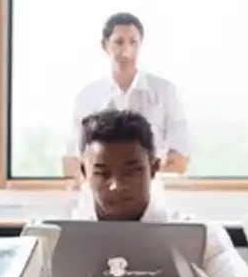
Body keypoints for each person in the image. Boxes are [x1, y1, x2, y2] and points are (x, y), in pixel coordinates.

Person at [67, 109, 248, 277]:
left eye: (131, 172)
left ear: (154, 167)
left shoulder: (200, 237)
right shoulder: (61, 241)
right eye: (102, 173)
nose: (116, 186)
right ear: (84, 172)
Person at [63, 12, 190, 177]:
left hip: (153, 187)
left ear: (141, 44)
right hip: (100, 188)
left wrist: (143, 176)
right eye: (119, 42)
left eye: (133, 42)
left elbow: (179, 159)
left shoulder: (165, 92)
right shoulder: (87, 97)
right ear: (105, 45)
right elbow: (71, 160)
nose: (126, 50)